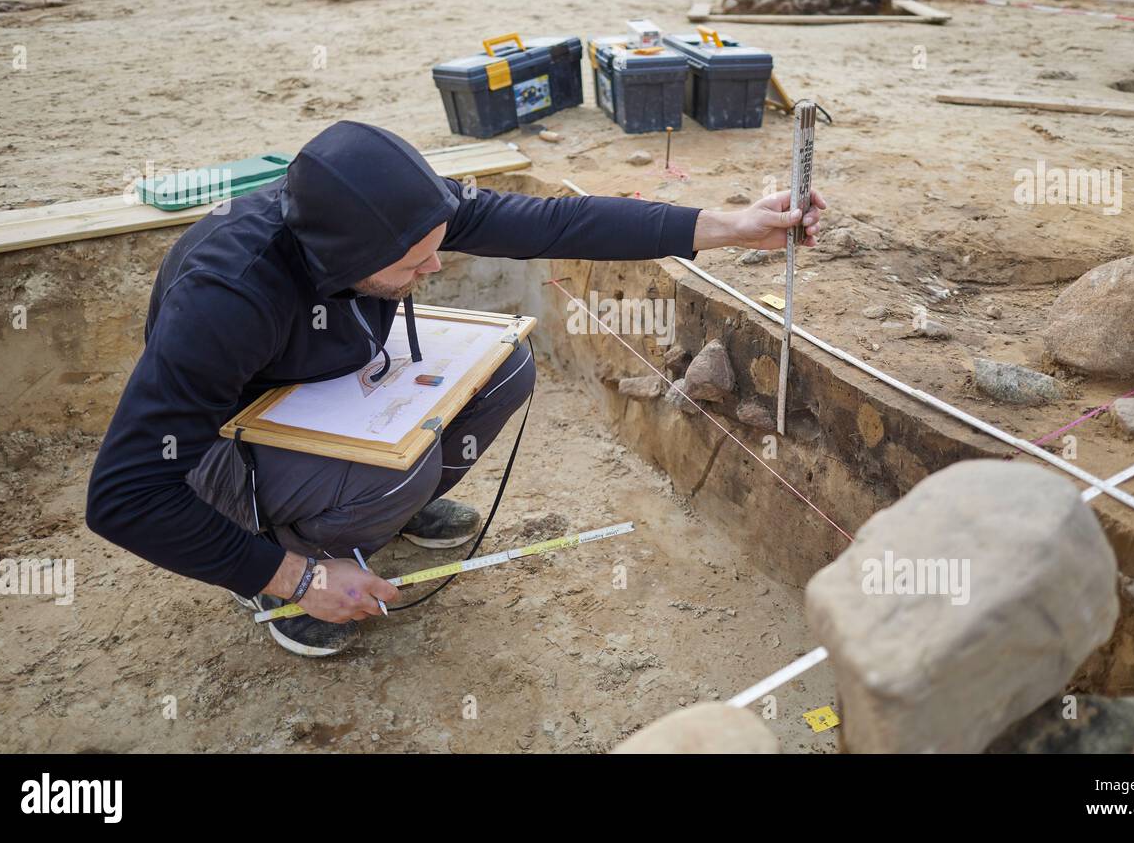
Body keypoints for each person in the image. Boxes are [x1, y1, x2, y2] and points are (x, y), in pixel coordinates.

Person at [86, 120, 825, 656]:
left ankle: (370, 511)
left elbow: (555, 222)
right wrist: (295, 575)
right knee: (394, 471)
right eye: (410, 268)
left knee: (505, 367)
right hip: (231, 448)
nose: (432, 271)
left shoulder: (388, 210)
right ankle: (289, 557)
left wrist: (729, 226)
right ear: (344, 258)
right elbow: (125, 495)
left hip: (318, 385)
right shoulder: (228, 297)